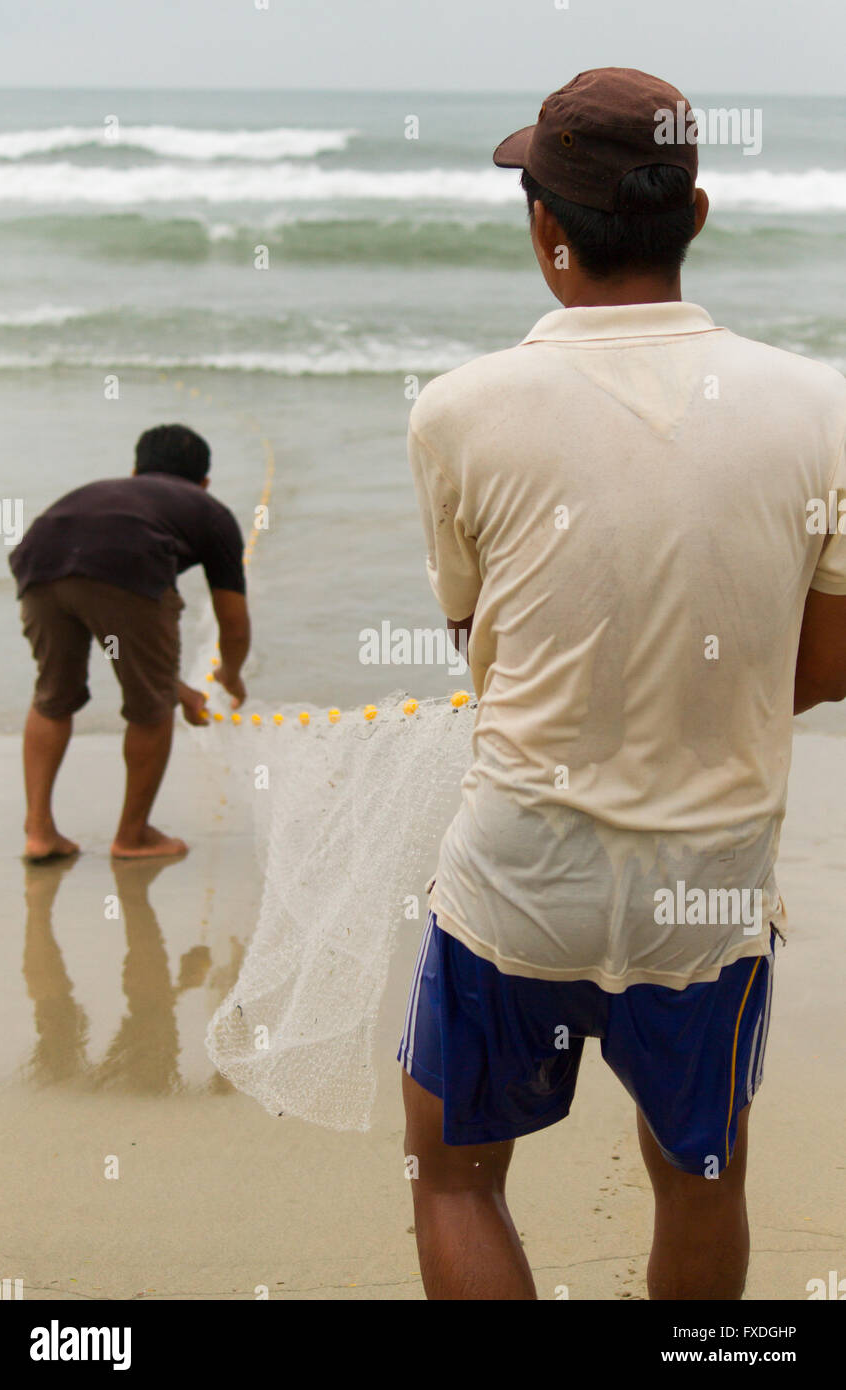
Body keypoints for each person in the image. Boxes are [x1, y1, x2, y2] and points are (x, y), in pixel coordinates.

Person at [398, 67, 846, 1300]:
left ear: (542, 226)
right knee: (701, 1176)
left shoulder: (457, 411)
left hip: (519, 873)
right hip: (704, 889)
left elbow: (483, 641)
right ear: (693, 213)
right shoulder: (822, 407)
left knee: (453, 1177)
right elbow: (821, 666)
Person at [10, 423, 251, 861]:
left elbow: (116, 636)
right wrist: (230, 677)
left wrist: (177, 687)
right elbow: (232, 621)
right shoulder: (210, 511)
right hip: (127, 567)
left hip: (39, 559)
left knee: (53, 696)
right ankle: (133, 836)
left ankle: (39, 832)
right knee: (150, 709)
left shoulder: (101, 491)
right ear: (204, 482)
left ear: (136, 468)